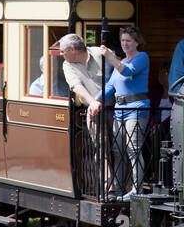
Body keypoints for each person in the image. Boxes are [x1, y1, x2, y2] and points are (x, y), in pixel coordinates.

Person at [97, 26, 150, 198]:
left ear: (137, 42)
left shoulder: (141, 58)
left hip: (136, 108)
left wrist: (110, 57)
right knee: (118, 150)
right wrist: (95, 101)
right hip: (119, 110)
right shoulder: (121, 62)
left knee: (133, 149)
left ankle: (137, 189)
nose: (125, 44)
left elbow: (128, 72)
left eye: (128, 40)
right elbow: (110, 87)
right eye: (122, 41)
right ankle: (119, 189)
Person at [59, 34, 112, 195]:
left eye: (62, 51)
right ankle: (109, 188)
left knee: (120, 148)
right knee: (102, 149)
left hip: (115, 107)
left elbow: (116, 77)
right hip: (94, 110)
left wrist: (101, 98)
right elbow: (76, 87)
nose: (61, 54)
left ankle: (127, 186)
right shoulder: (67, 65)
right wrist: (93, 101)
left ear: (72, 49)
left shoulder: (100, 54)